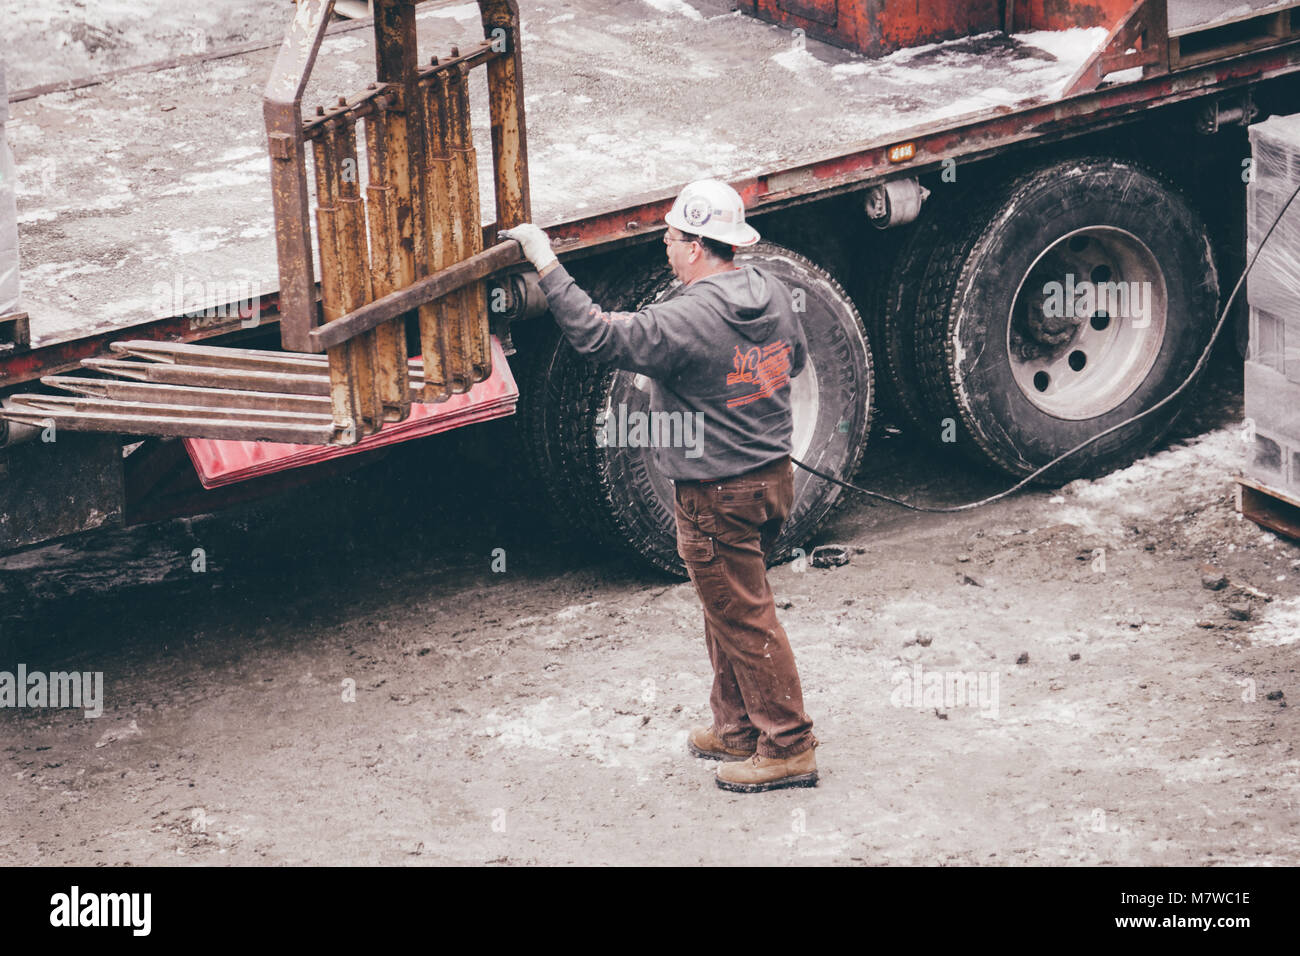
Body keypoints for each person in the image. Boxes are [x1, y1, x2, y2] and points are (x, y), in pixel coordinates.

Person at [502, 179, 818, 792]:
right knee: (728, 606)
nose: (666, 248)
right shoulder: (770, 289)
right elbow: (796, 362)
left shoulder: (685, 317)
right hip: (773, 479)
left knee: (745, 617)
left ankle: (789, 744)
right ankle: (738, 728)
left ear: (698, 246)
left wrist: (544, 260)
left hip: (718, 495)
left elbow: (597, 336)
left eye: (671, 238)